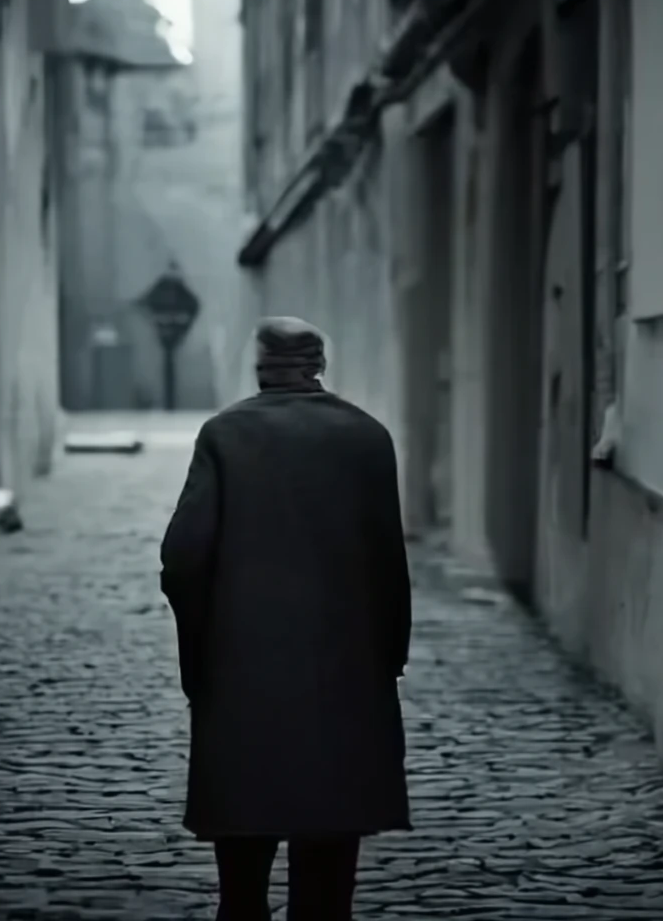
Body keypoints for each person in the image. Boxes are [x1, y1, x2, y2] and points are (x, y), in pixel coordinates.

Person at [160, 316, 412, 921]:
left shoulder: (225, 436)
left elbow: (183, 558)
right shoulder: (367, 437)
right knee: (327, 887)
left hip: (242, 672)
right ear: (319, 365)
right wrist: (387, 658)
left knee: (242, 885)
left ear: (260, 367)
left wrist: (201, 650)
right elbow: (389, 564)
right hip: (345, 675)